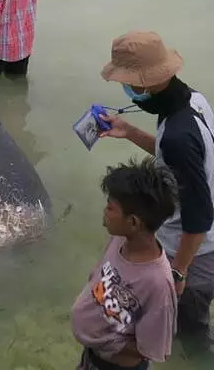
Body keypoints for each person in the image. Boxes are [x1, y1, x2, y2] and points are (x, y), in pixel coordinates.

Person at [99, 31, 214, 358]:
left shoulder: (178, 135)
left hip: (196, 254)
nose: (127, 91)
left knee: (191, 338)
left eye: (128, 83)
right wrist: (130, 132)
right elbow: (177, 159)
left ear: (145, 84)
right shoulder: (191, 100)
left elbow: (199, 216)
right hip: (199, 245)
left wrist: (178, 272)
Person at [71, 157, 178, 370]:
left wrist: (109, 340)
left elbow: (152, 347)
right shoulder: (120, 239)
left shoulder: (157, 284)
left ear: (134, 222)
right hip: (92, 358)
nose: (104, 212)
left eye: (110, 208)